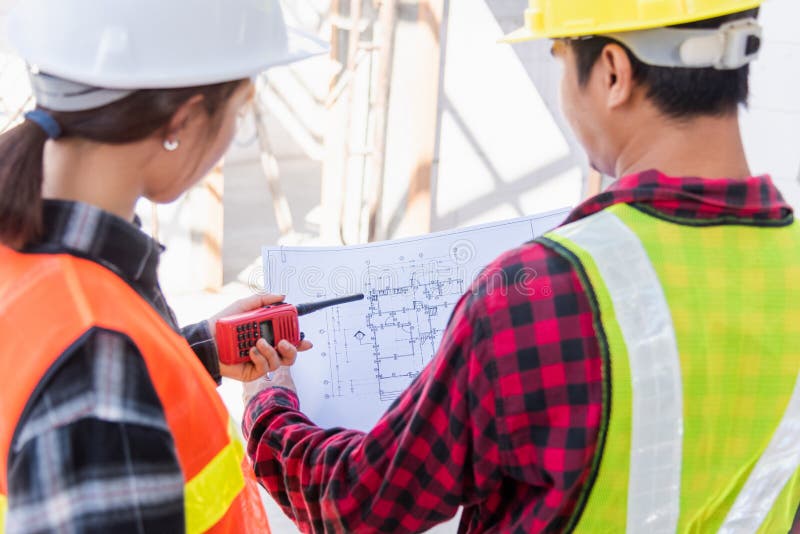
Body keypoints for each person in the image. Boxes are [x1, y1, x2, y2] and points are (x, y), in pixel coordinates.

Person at [241, 1, 800, 532]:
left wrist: (268, 400)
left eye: (559, 60)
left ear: (612, 73)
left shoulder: (538, 294)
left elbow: (356, 504)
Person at [0, 0, 321, 531]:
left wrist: (193, 351)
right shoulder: (97, 361)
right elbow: (92, 396)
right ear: (183, 121)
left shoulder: (35, 253)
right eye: (237, 114)